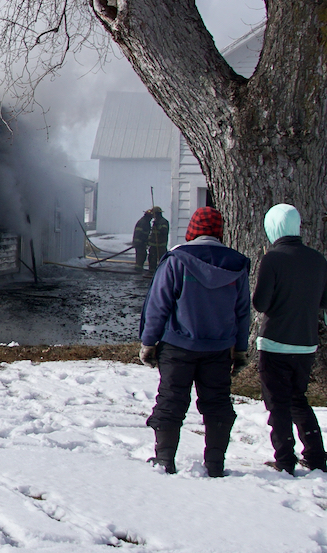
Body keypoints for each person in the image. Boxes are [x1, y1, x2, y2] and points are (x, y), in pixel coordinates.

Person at [139, 206, 250, 477]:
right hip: (219, 348)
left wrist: (149, 342)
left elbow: (159, 304)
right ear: (219, 231)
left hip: (178, 346)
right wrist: (240, 349)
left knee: (171, 400)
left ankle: (165, 459)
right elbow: (242, 311)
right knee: (217, 404)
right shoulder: (236, 264)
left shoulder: (177, 260)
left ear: (192, 230)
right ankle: (215, 464)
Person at [252, 203, 327, 474]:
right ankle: (316, 456)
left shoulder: (272, 258)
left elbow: (260, 303)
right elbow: (324, 301)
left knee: (278, 404)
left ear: (272, 227)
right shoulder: (318, 259)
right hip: (306, 343)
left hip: (275, 341)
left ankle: (285, 460)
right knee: (298, 399)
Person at [148, 206, 171, 271]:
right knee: (152, 259)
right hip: (153, 245)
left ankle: (162, 271)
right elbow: (153, 233)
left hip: (161, 246)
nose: (153, 215)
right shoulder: (155, 221)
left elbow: (164, 231)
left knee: (162, 260)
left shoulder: (163, 221)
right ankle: (152, 271)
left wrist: (158, 225)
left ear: (157, 213)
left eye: (153, 214)